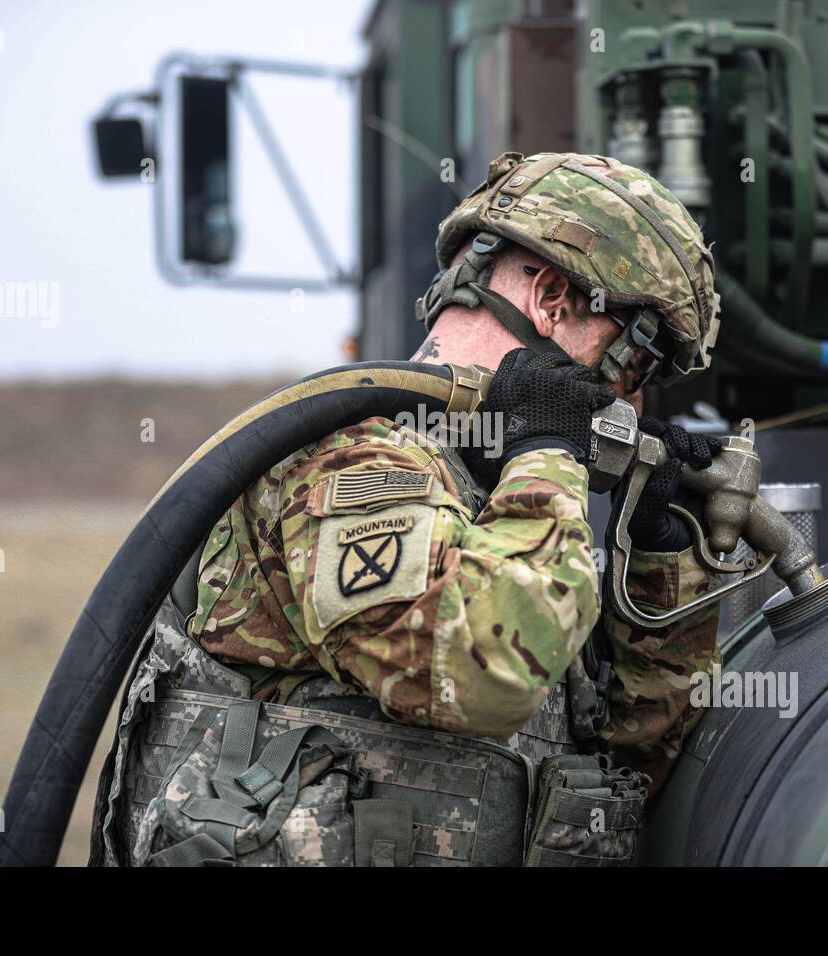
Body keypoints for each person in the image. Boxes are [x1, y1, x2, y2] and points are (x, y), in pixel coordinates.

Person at [90, 151, 724, 867]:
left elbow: (628, 778)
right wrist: (550, 451)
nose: (631, 403)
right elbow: (482, 678)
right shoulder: (345, 461)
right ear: (551, 298)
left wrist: (661, 556)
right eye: (634, 365)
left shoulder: (503, 509)